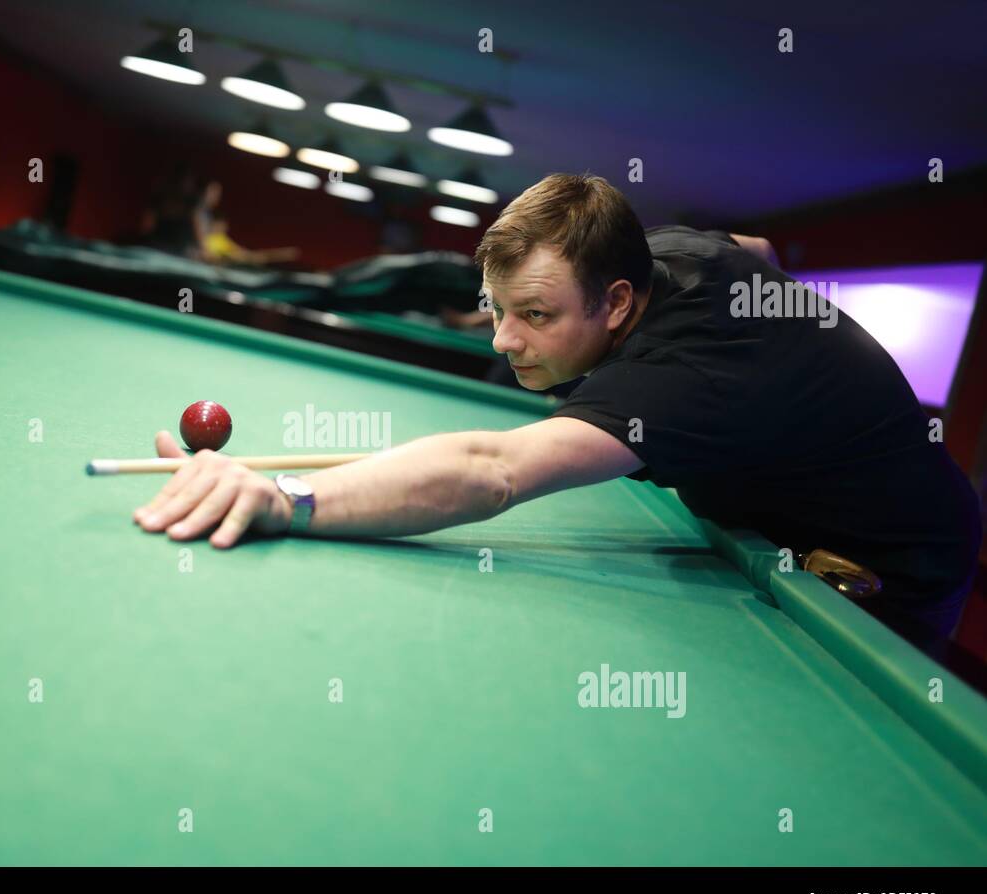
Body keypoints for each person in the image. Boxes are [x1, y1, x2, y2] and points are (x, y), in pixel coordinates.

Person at [132, 173, 982, 659]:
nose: (506, 341)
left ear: (618, 301)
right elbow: (749, 251)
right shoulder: (669, 254)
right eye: (496, 308)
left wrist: (286, 499)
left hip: (885, 568)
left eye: (535, 316)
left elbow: (492, 469)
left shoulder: (681, 379)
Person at [200, 214, 299, 267]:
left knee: (258, 257)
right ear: (215, 224)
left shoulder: (222, 238)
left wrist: (249, 256)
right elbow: (210, 257)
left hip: (238, 259)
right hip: (224, 263)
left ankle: (280, 254)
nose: (225, 228)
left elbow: (241, 252)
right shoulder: (208, 239)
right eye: (222, 225)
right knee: (257, 257)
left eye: (225, 226)